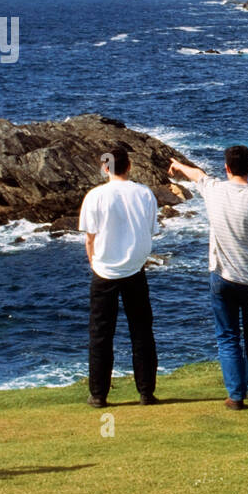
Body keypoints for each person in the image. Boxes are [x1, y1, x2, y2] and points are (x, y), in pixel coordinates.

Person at [168, 146, 248, 410]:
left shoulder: (215, 190)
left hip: (223, 279)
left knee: (228, 336)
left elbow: (197, 175)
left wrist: (179, 166)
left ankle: (236, 394)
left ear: (227, 167)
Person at [79, 145, 160, 408]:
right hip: (135, 269)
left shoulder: (95, 196)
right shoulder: (145, 193)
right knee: (142, 332)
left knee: (101, 334)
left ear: (106, 168)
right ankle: (146, 392)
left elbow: (89, 238)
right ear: (129, 166)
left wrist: (94, 263)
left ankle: (99, 395)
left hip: (104, 271)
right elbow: (150, 230)